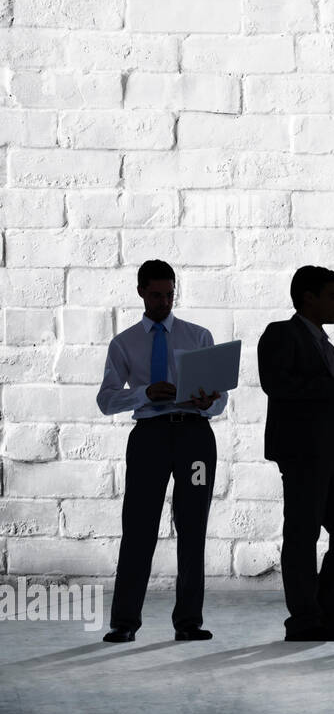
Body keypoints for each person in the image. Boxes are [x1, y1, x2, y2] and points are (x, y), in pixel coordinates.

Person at [95, 260, 224, 643]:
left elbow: (221, 399)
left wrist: (207, 403)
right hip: (149, 437)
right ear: (140, 292)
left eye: (169, 294)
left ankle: (189, 622)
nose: (164, 301)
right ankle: (124, 622)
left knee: (193, 526)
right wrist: (144, 393)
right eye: (156, 295)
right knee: (138, 528)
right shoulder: (124, 343)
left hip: (196, 438)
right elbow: (105, 400)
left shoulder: (198, 335)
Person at [258, 266, 334, 642]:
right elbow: (275, 384)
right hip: (304, 452)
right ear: (309, 297)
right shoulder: (281, 333)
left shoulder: (325, 344)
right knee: (302, 536)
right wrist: (332, 385)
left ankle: (328, 618)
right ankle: (305, 621)